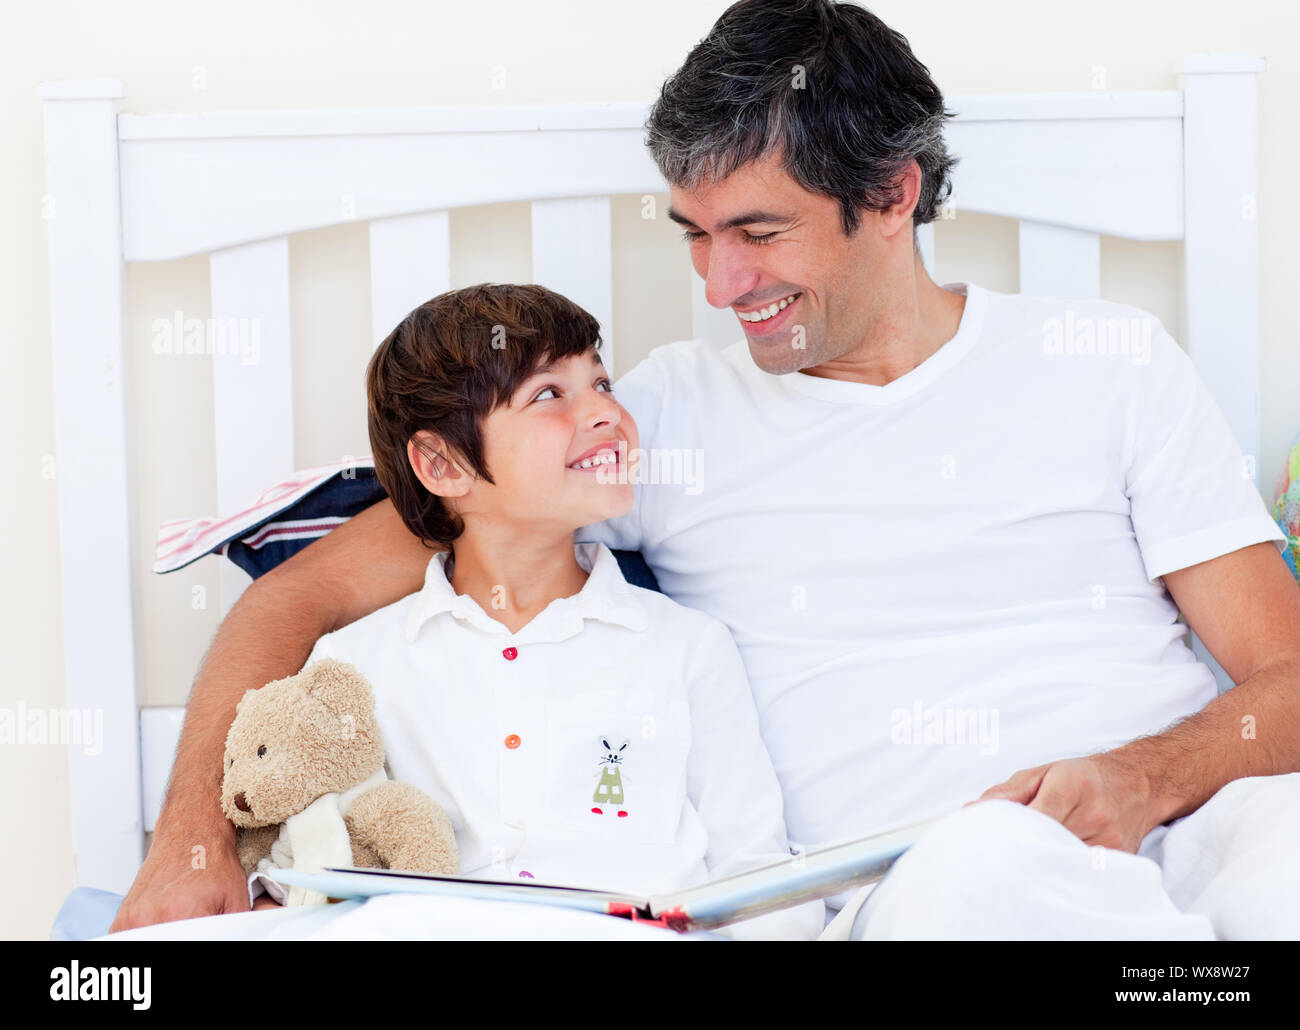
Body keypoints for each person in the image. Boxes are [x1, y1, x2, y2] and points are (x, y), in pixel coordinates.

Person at [110, 0, 1300, 940]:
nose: (719, 283)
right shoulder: (653, 420)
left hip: (1191, 831)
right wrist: (191, 841)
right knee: (986, 878)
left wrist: (1144, 779)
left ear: (891, 194)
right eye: (695, 235)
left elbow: (1286, 675)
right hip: (932, 879)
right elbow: (298, 598)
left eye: (759, 232)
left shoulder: (1106, 362)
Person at [241, 283, 824, 939]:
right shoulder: (355, 665)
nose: (606, 412)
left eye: (602, 383)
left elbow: (761, 879)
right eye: (550, 393)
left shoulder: (685, 647)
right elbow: (308, 874)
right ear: (442, 463)